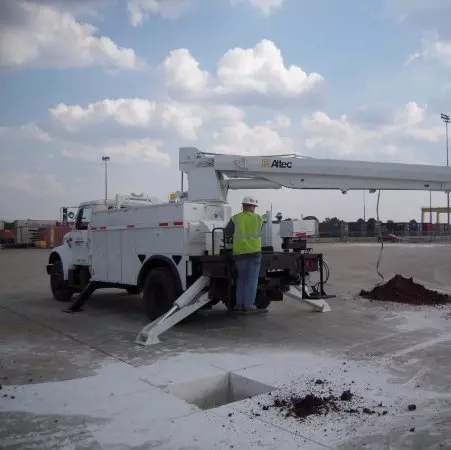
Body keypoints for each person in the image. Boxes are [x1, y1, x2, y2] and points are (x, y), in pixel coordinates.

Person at [224, 196, 264, 313]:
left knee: (241, 279)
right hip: (254, 252)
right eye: (253, 206)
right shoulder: (258, 218)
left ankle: (239, 304)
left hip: (240, 253)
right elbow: (260, 231)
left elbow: (227, 232)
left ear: (243, 206)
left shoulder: (235, 218)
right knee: (251, 280)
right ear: (252, 207)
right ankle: (248, 305)